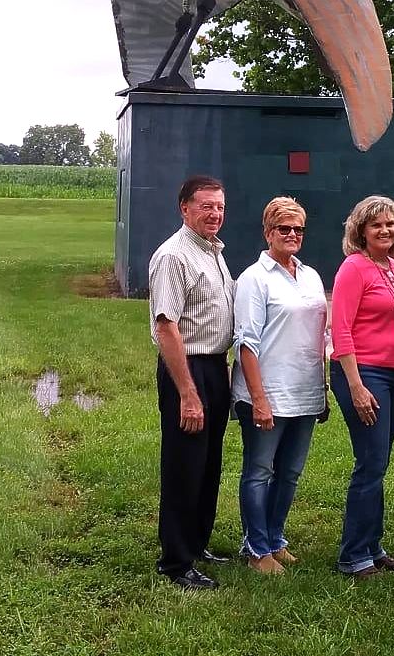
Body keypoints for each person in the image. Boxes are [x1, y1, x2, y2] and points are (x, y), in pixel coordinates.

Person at [231, 197, 327, 575]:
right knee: (259, 471)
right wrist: (259, 399)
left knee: (289, 472)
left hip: (304, 392)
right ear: (268, 232)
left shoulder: (311, 275)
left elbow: (317, 336)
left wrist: (320, 392)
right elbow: (245, 343)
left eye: (298, 229)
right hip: (266, 394)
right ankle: (256, 549)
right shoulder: (255, 278)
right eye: (283, 228)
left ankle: (274, 538)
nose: (291, 235)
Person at [149, 175, 235, 590]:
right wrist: (187, 392)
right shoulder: (174, 256)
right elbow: (167, 327)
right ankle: (176, 562)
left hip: (216, 367)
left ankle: (197, 543)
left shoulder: (214, 252)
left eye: (219, 206)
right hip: (189, 369)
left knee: (208, 464)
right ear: (184, 208)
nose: (215, 213)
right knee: (184, 466)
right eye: (205, 206)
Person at [329, 195, 394, 578]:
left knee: (378, 463)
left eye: (390, 224)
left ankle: (372, 546)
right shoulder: (354, 268)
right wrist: (356, 385)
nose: (385, 230)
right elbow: (341, 328)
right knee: (370, 464)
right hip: (363, 375)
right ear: (361, 230)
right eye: (376, 224)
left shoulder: (393, 267)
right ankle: (352, 556)